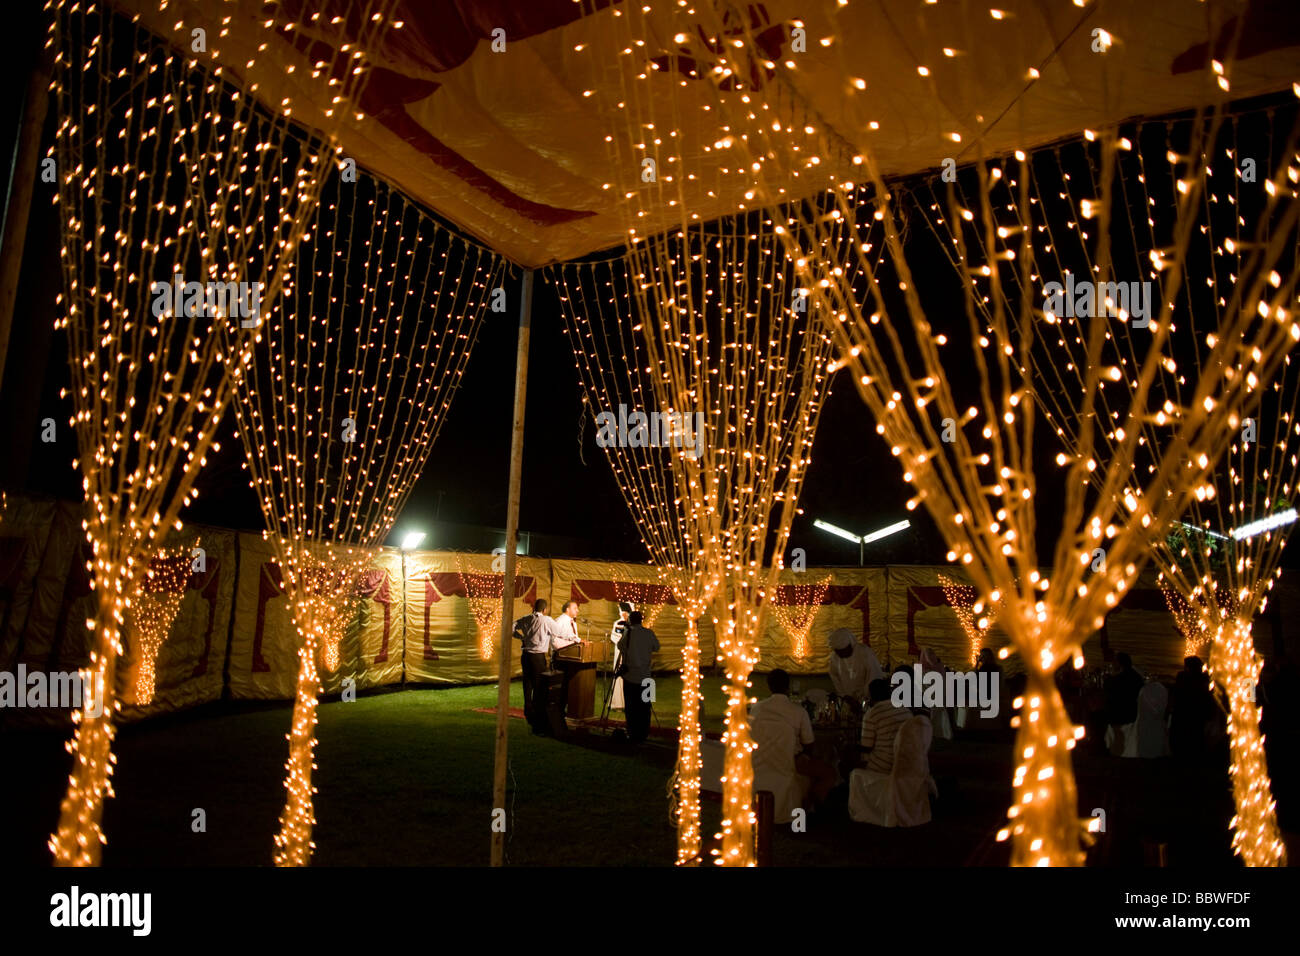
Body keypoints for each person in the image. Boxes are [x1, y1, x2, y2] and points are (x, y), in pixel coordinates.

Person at [750, 669, 838, 816]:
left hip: (759, 760)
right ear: (788, 686)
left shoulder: (756, 709)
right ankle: (809, 806)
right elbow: (809, 743)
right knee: (829, 773)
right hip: (790, 761)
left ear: (769, 686)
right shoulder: (798, 711)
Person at [512, 599, 556, 735]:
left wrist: (520, 637)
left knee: (527, 680)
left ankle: (528, 705)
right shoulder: (547, 620)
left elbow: (511, 626)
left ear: (533, 608)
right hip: (538, 656)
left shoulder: (526, 618)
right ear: (545, 609)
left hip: (526, 655)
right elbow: (559, 632)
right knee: (538, 683)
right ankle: (536, 708)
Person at [619, 610, 660, 743]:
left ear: (630, 620)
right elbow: (657, 647)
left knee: (631, 707)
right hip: (647, 676)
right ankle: (644, 733)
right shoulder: (649, 633)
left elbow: (620, 646)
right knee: (646, 707)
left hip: (631, 676)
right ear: (641, 620)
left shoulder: (628, 633)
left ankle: (633, 733)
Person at [859, 677, 915, 774]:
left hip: (884, 765)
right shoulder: (904, 709)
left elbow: (867, 747)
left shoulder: (872, 714)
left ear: (871, 696)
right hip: (907, 762)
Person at [826, 629, 883, 710]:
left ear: (851, 644)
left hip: (869, 701)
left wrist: (864, 698)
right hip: (848, 702)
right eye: (838, 652)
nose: (842, 654)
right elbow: (835, 678)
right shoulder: (835, 658)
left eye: (844, 650)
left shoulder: (864, 652)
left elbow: (873, 676)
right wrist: (846, 696)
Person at [608, 601, 634, 711]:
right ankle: (618, 703)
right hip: (621, 653)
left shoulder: (634, 624)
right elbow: (614, 638)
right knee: (619, 678)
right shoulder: (618, 623)